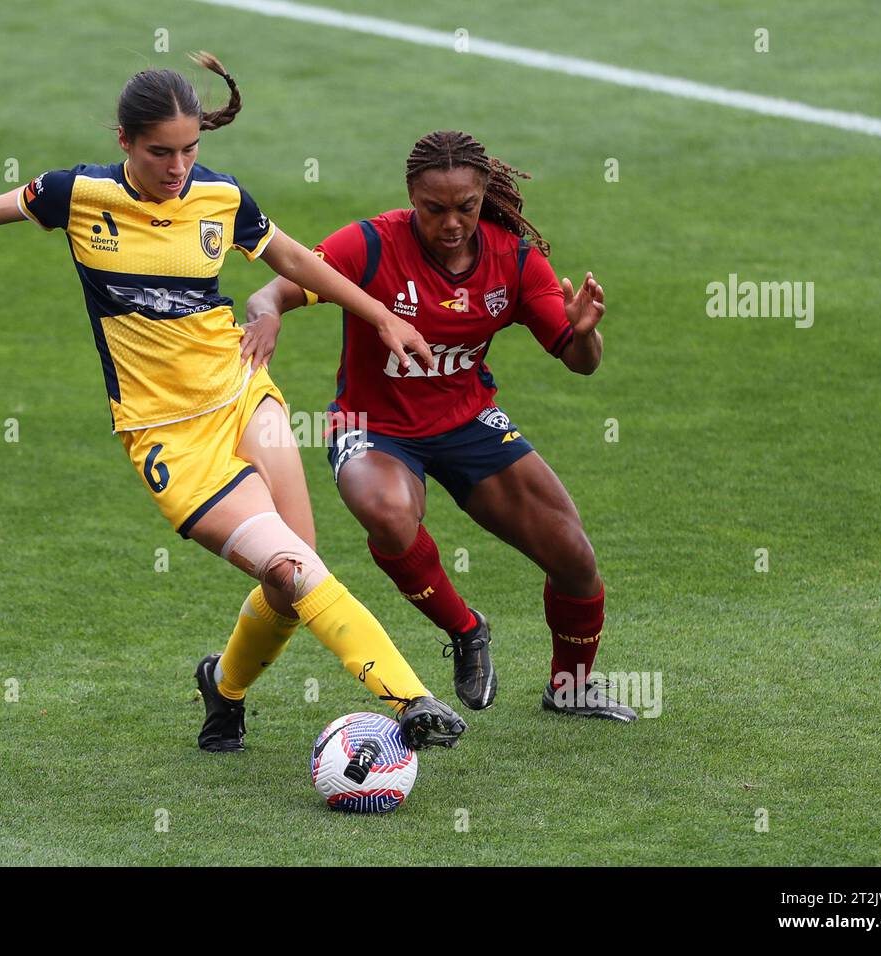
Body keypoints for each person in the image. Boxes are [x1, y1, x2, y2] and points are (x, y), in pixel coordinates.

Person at [0, 56, 469, 751]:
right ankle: (410, 697)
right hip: (167, 435)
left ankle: (226, 686)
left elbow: (298, 262)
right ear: (124, 142)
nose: (178, 166)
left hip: (243, 394)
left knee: (296, 575)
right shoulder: (78, 195)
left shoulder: (221, 198)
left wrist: (382, 318)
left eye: (190, 149)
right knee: (291, 574)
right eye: (161, 152)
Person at [240, 129, 636, 721]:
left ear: (483, 199)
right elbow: (269, 292)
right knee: (387, 510)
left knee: (574, 558)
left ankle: (570, 688)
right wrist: (268, 316)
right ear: (411, 198)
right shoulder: (370, 245)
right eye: (435, 209)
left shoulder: (514, 260)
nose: (452, 223)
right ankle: (466, 629)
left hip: (470, 423)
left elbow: (582, 365)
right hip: (376, 429)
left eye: (467, 208)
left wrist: (584, 334)